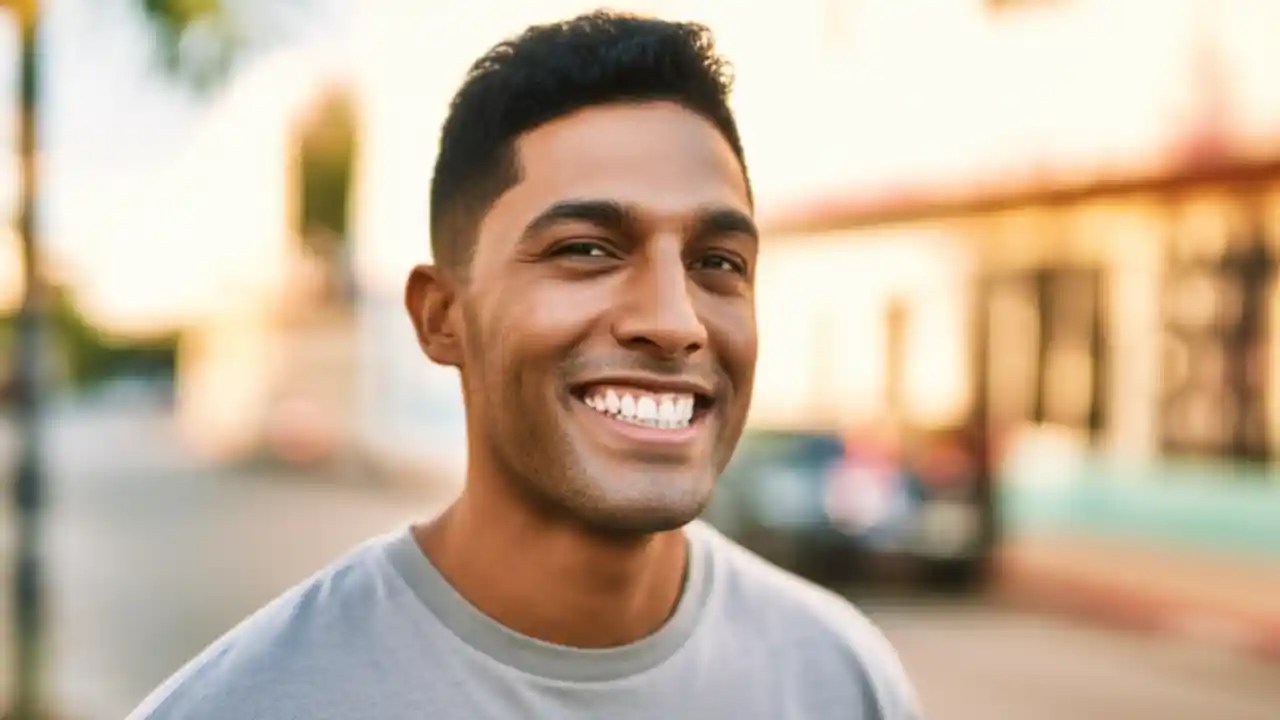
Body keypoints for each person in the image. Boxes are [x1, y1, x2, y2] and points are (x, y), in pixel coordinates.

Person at [129, 11, 921, 719]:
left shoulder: (838, 680)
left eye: (717, 262)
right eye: (586, 250)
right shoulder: (253, 702)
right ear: (442, 319)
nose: (675, 322)